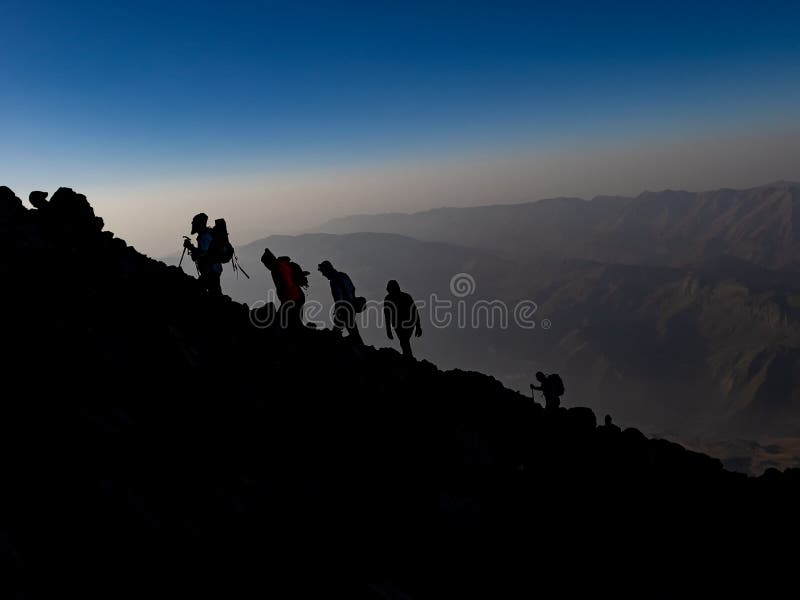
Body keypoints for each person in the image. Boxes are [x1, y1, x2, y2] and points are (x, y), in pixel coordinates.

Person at [261, 248, 308, 329]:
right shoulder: (282, 264)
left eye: (266, 264)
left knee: (284, 323)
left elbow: (287, 284)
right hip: (298, 297)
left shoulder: (276, 269)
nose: (266, 267)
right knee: (295, 323)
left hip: (292, 299)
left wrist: (286, 300)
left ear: (269, 262)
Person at [318, 260, 363, 344]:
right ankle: (359, 346)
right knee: (352, 330)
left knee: (344, 331)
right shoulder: (343, 275)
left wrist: (340, 307)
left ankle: (359, 347)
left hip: (345, 309)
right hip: (348, 307)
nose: (323, 274)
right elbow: (352, 289)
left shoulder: (335, 280)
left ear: (327, 269)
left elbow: (340, 295)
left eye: (323, 272)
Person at [183, 213, 223, 296]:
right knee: (215, 293)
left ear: (199, 224)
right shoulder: (205, 235)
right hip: (213, 270)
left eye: (194, 222)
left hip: (210, 271)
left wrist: (191, 247)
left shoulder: (205, 236)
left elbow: (204, 254)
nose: (192, 224)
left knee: (206, 291)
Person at [383, 280, 422, 358]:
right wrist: (388, 330)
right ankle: (408, 356)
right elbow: (387, 315)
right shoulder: (388, 299)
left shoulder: (406, 297)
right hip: (398, 323)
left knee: (404, 341)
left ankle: (408, 357)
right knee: (404, 341)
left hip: (408, 322)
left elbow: (414, 310)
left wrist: (418, 326)